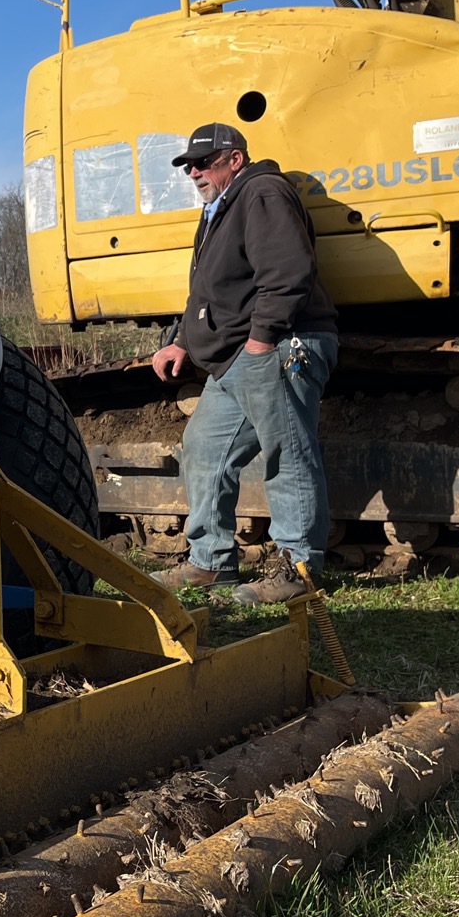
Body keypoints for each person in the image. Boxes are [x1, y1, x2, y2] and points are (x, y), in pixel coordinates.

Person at [148, 123, 339, 604]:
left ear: (235, 159)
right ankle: (210, 563)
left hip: (277, 345)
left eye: (204, 162)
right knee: (203, 449)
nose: (194, 172)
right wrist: (182, 342)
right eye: (188, 165)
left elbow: (289, 273)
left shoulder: (261, 193)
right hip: (236, 355)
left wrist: (262, 338)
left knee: (287, 453)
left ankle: (298, 571)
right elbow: (215, 293)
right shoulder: (220, 210)